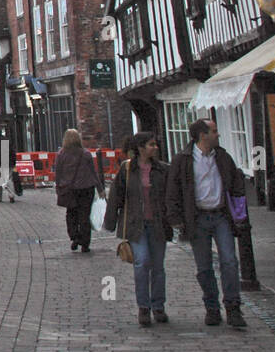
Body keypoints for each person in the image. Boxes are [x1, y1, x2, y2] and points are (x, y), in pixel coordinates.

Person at [165, 118, 248, 329]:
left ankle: (233, 306)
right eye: (214, 131)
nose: (217, 134)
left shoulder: (222, 157)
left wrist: (239, 212)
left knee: (229, 261)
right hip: (197, 218)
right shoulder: (183, 160)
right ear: (203, 135)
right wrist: (176, 219)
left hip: (221, 216)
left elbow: (236, 184)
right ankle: (211, 308)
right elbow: (173, 190)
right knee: (204, 267)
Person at [104, 131, 172, 326]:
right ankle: (144, 307)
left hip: (158, 224)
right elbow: (116, 197)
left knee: (158, 268)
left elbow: (169, 197)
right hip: (136, 225)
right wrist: (110, 222)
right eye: (151, 145)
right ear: (141, 148)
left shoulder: (162, 170)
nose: (155, 148)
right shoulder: (127, 170)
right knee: (142, 263)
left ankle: (158, 306)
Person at [54, 129, 104, 253]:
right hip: (86, 188)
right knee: (84, 216)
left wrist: (58, 188)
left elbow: (58, 173)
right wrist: (100, 189)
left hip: (69, 189)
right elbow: (93, 173)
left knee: (71, 214)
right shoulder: (85, 154)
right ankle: (85, 243)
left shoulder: (61, 155)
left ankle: (75, 237)